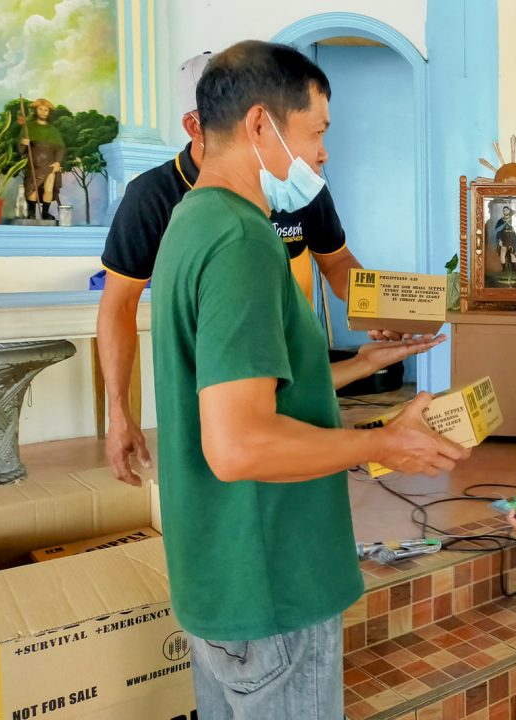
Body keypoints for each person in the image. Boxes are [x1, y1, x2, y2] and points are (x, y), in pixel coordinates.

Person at [150, 40, 470, 719]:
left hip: (221, 570)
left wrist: (360, 365)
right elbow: (239, 445)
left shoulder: (193, 221)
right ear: (260, 124)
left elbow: (243, 387)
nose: (323, 154)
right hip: (273, 578)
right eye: (316, 132)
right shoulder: (243, 241)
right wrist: (383, 443)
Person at [97, 52, 374, 486]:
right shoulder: (166, 202)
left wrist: (380, 310)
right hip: (221, 404)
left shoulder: (294, 180)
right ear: (197, 126)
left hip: (294, 380)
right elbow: (119, 306)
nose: (321, 153)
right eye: (316, 133)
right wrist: (119, 412)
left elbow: (337, 262)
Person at [16, 98, 64, 220]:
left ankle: (45, 213)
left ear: (49, 112)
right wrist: (23, 143)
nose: (43, 112)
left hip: (49, 164)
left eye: (45, 110)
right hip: (34, 164)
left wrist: (57, 162)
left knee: (49, 188)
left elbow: (60, 148)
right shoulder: (28, 128)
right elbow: (21, 149)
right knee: (32, 188)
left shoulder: (53, 130)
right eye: (40, 109)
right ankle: (31, 213)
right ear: (36, 110)